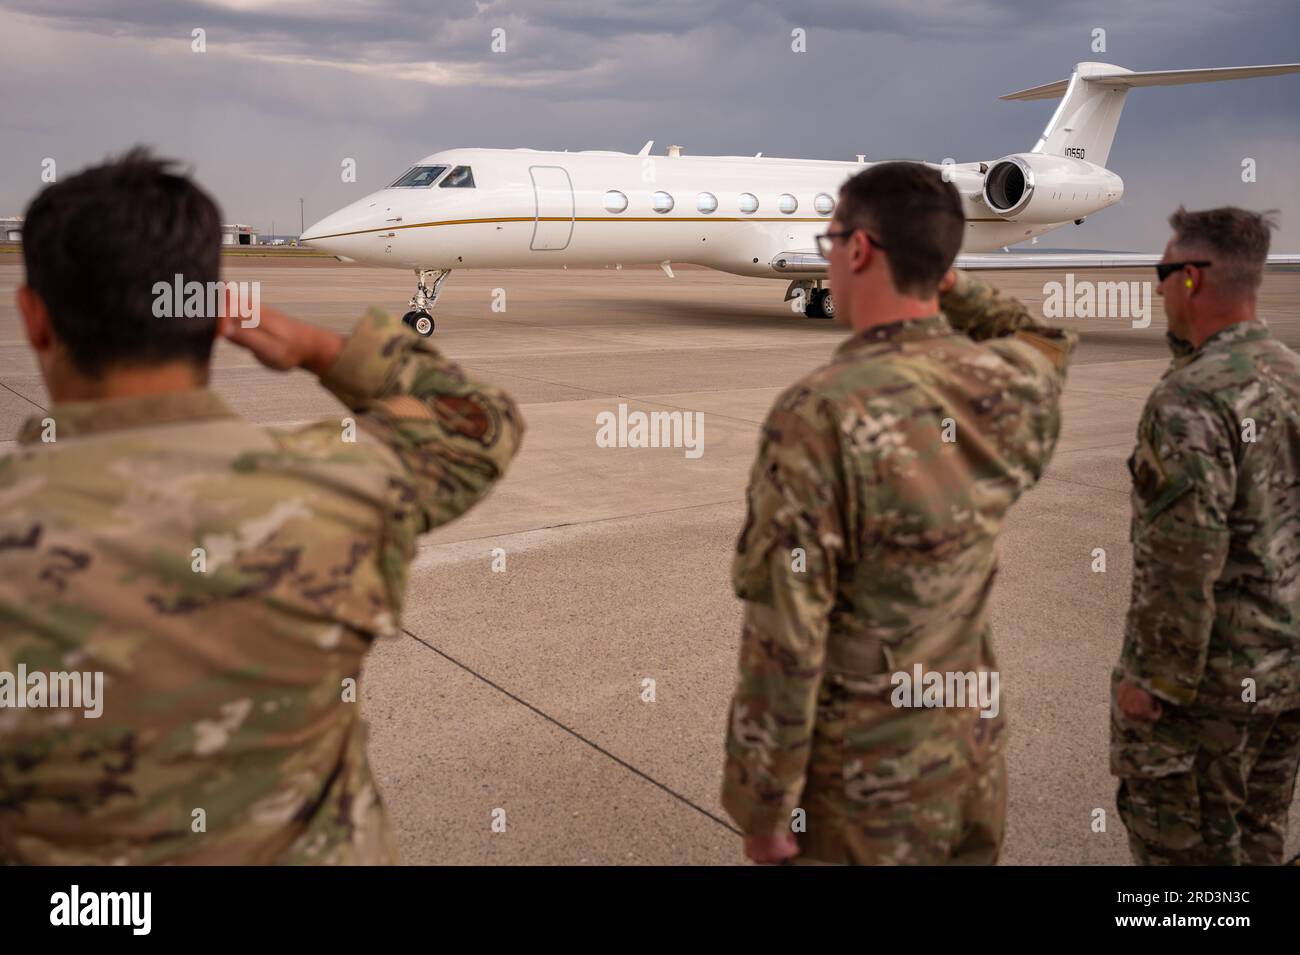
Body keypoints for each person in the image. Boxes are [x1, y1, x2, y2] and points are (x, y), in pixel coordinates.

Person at [0, 148, 524, 864]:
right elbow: (478, 426)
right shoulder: (334, 486)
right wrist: (316, 347)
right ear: (215, 312)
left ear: (34, 317)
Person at [721, 161, 1077, 865]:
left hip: (864, 783)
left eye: (831, 241)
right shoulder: (1011, 383)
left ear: (855, 252)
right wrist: (940, 269)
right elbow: (1046, 341)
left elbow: (787, 633)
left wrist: (762, 803)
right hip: (970, 758)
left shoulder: (817, 411)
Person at [1112, 206, 1299, 866]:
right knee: (1259, 837)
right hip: (1285, 678)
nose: (1158, 287)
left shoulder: (1191, 397)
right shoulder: (1291, 374)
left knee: (1188, 863)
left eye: (1163, 272)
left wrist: (1151, 680)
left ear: (1190, 278)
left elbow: (1185, 555)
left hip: (1207, 689)